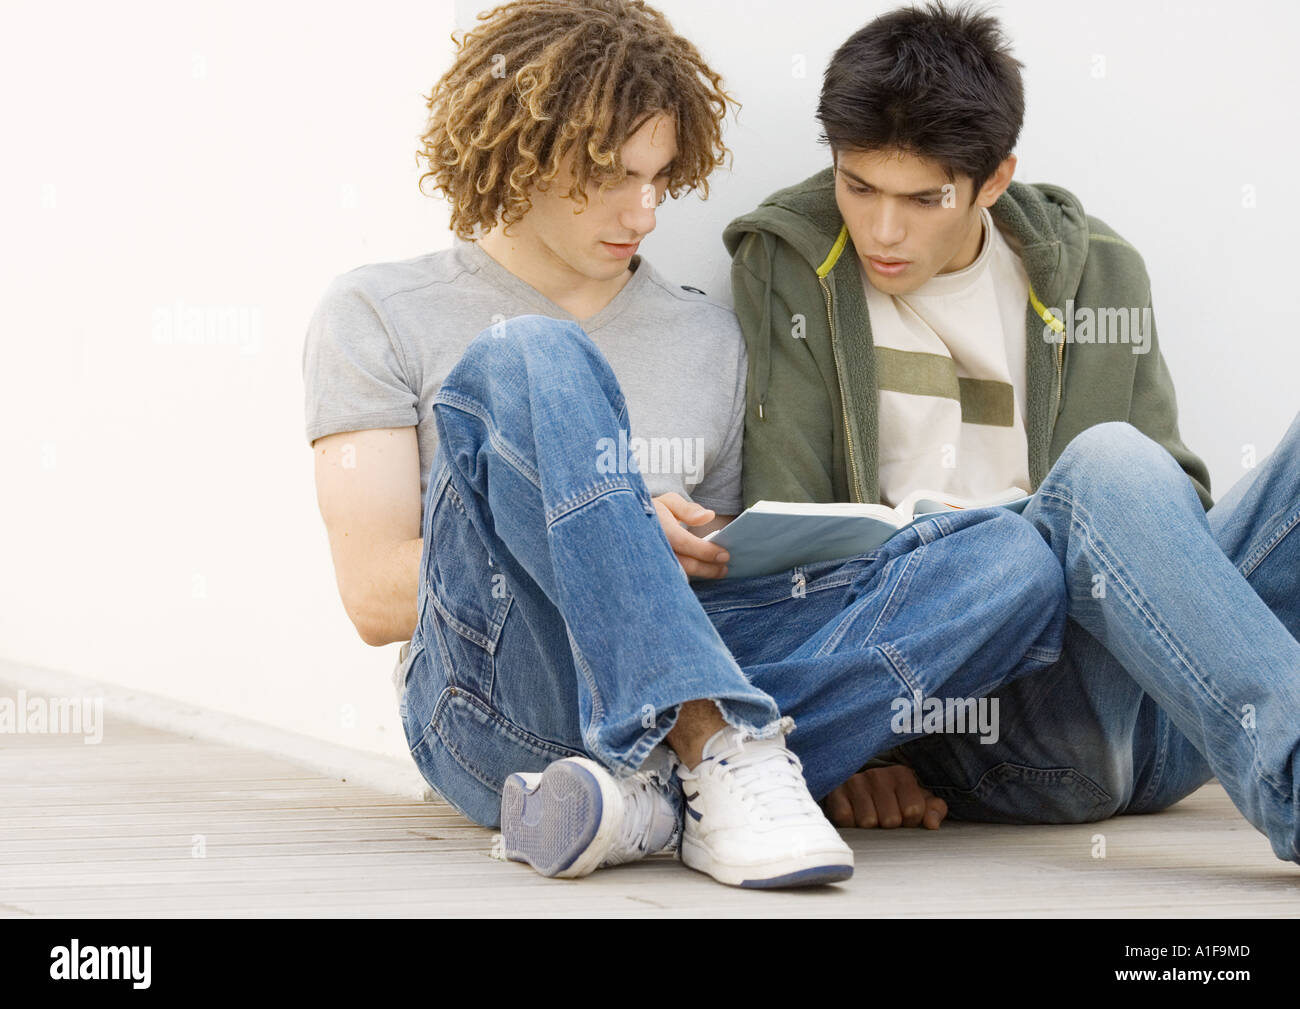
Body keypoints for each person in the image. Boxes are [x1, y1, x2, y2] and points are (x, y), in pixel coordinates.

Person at [302, 0, 1067, 888]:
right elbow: (374, 597)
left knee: (1012, 558)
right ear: (524, 152)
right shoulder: (379, 312)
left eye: (660, 178)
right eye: (611, 176)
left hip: (672, 695)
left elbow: (724, 597)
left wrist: (713, 550)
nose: (645, 211)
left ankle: (650, 804)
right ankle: (716, 751)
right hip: (498, 699)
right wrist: (611, 533)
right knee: (533, 352)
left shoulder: (708, 337)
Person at [725, 0, 1300, 864]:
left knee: (1117, 469)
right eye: (858, 186)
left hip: (1173, 716)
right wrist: (860, 751)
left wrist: (1080, 518)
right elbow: (793, 544)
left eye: (924, 198)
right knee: (1096, 473)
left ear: (994, 180)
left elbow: (1168, 510)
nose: (882, 230)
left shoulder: (1099, 269)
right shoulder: (793, 265)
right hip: (1000, 727)